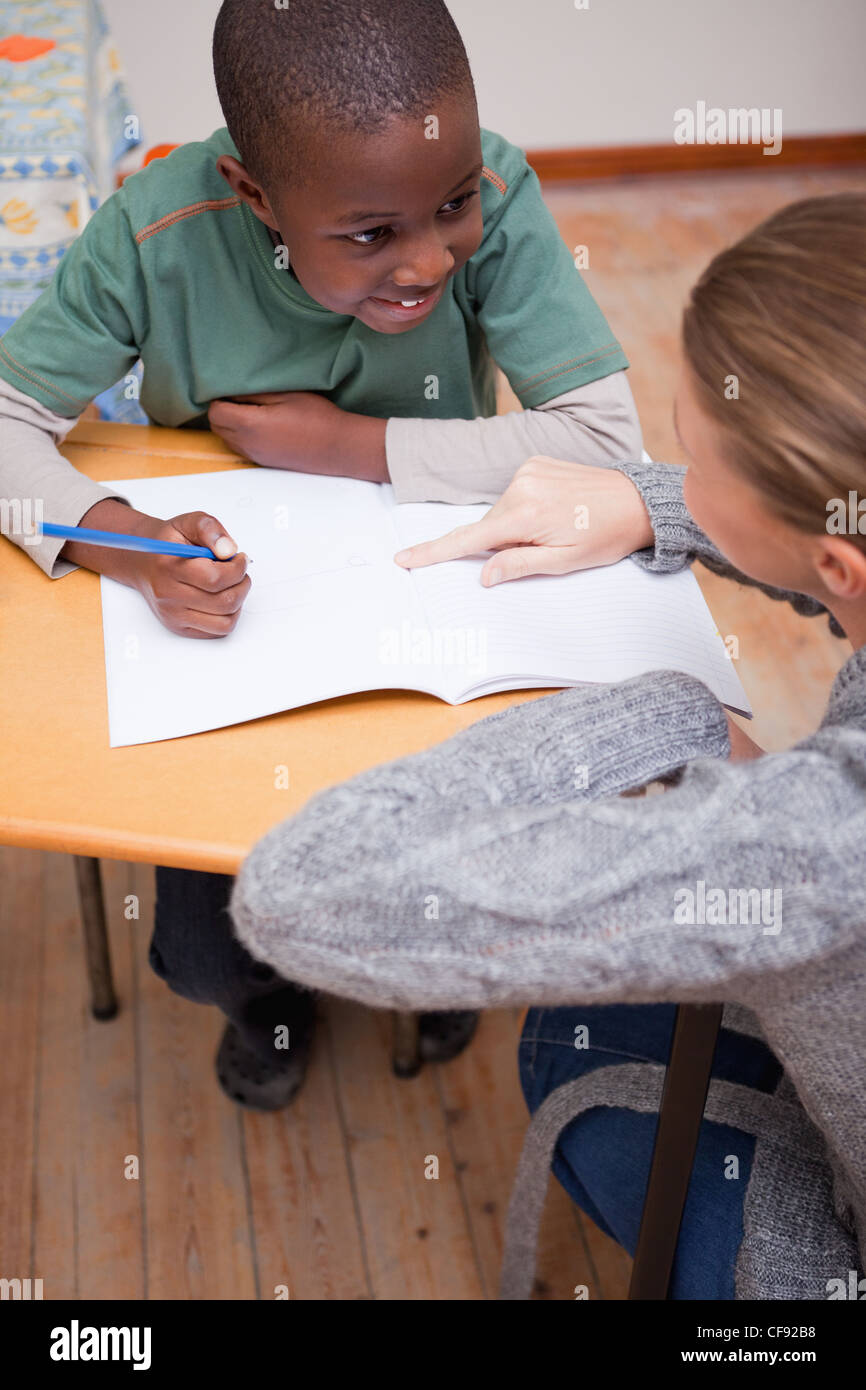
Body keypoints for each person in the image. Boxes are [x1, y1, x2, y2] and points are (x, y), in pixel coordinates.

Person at [0, 0, 642, 1109]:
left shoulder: (493, 185)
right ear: (254, 195)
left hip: (439, 603)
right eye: (368, 234)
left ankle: (418, 975)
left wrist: (354, 446)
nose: (428, 259)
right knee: (208, 947)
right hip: (227, 634)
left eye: (448, 210)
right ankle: (266, 1000)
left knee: (445, 887)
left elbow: (605, 443)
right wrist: (124, 542)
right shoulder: (156, 235)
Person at [229, 193, 866, 1297]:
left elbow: (300, 891)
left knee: (570, 1034)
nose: (675, 472)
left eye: (691, 456)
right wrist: (650, 502)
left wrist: (659, 711)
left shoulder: (813, 846)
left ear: (833, 567)